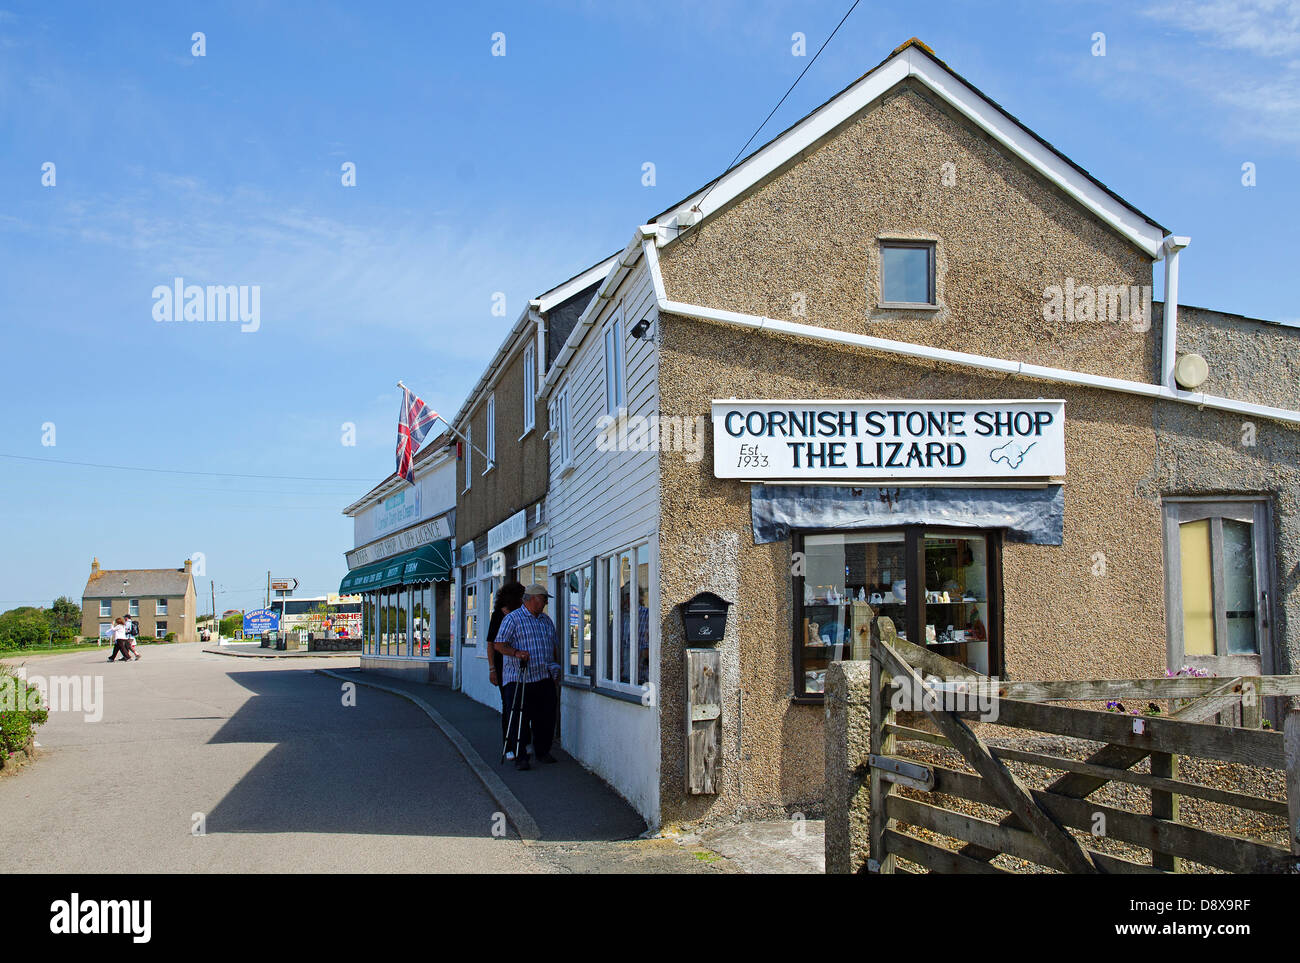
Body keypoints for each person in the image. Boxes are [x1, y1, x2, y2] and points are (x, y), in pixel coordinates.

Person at [493, 584, 560, 770]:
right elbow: (499, 644)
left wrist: (555, 667)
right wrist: (516, 653)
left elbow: (553, 645)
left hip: (543, 676)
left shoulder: (546, 620)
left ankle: (543, 751)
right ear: (531, 599)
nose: (546, 602)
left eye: (546, 599)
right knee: (519, 719)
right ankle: (521, 756)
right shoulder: (513, 619)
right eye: (543, 598)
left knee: (546, 717)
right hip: (519, 678)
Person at [485, 582, 526, 757]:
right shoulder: (498, 616)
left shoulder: (522, 615)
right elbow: (491, 644)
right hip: (504, 667)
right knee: (509, 705)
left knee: (524, 705)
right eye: (522, 596)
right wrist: (492, 669)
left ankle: (523, 743)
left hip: (522, 665)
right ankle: (509, 745)